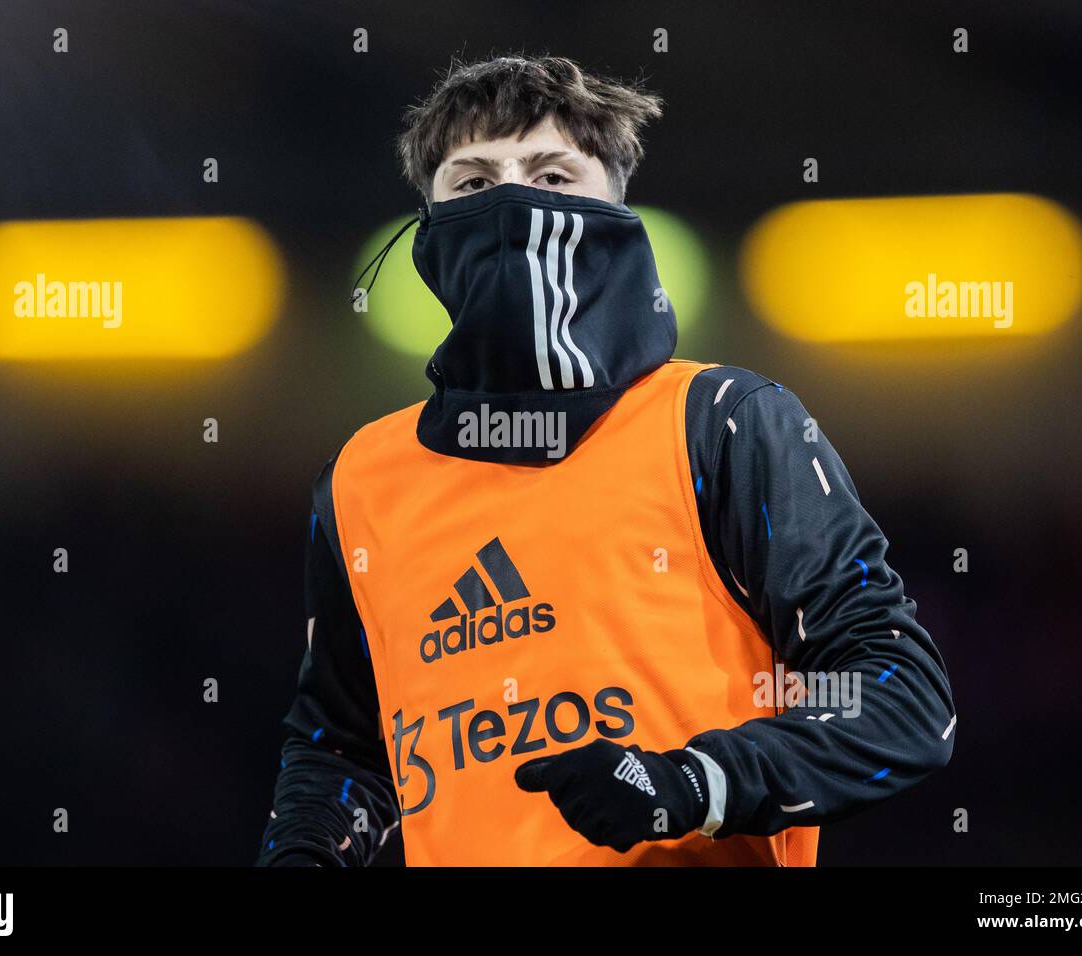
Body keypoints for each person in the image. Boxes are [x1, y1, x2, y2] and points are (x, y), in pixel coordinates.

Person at [257, 54, 955, 866]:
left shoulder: (722, 422)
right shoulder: (360, 481)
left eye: (553, 177)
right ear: (427, 222)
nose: (515, 204)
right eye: (474, 184)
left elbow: (900, 696)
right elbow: (341, 752)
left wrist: (695, 783)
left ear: (620, 208)